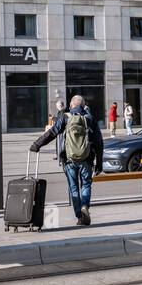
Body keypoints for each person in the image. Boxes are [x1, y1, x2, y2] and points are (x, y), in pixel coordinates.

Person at [30, 94, 103, 226]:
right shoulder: (90, 119)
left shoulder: (66, 117)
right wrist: (99, 163)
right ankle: (85, 206)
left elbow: (53, 132)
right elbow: (99, 142)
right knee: (86, 185)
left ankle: (80, 217)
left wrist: (37, 144)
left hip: (69, 160)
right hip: (87, 159)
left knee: (73, 188)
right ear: (83, 105)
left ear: (70, 105)